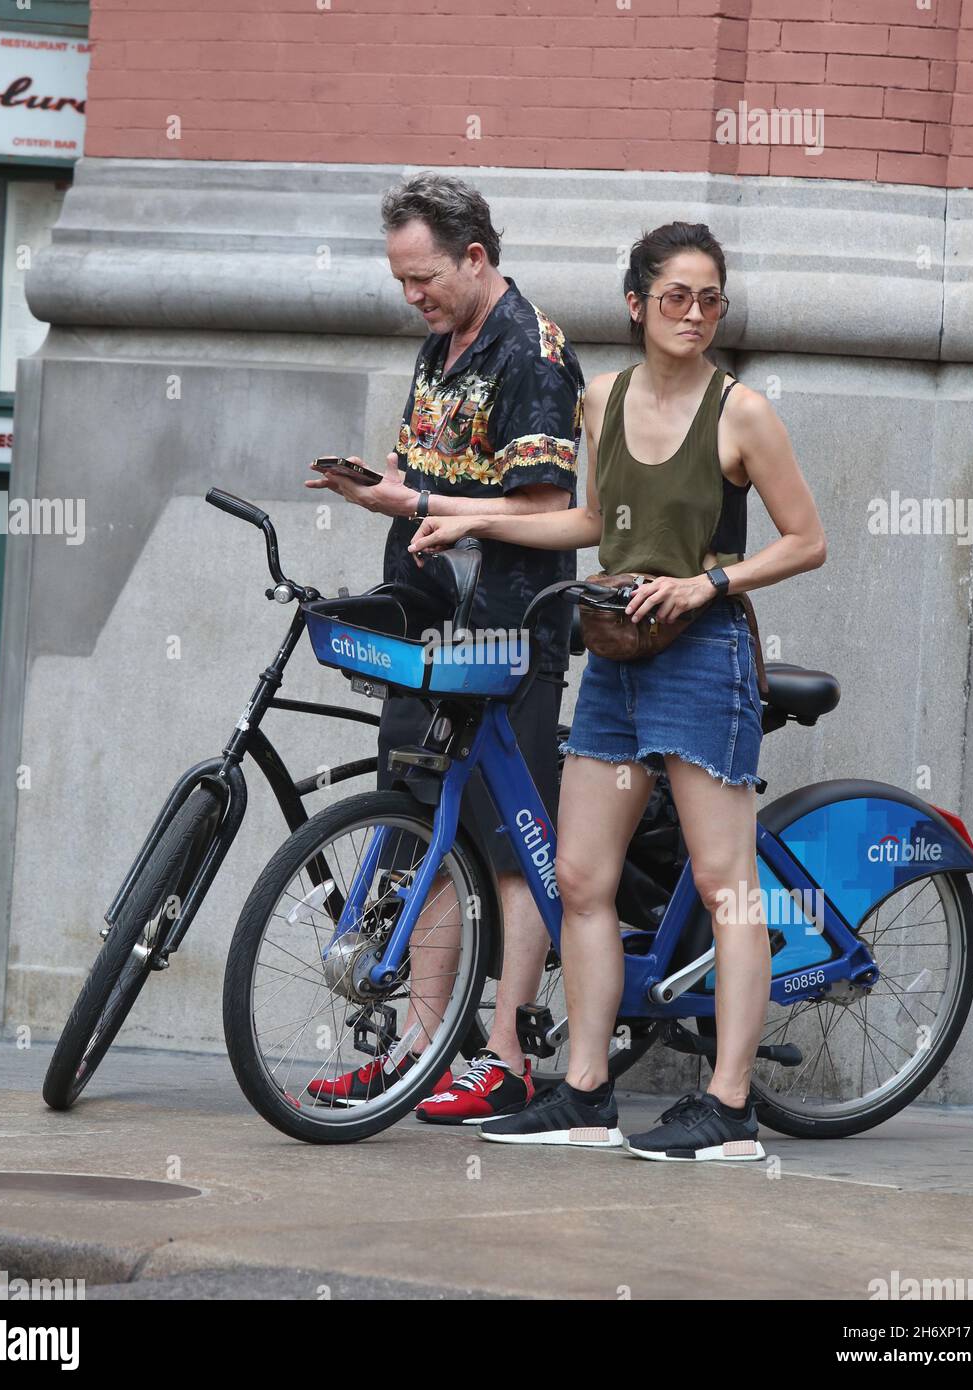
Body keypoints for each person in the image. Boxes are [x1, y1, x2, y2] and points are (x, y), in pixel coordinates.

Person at [407, 221, 827, 1160]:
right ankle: (587, 1093)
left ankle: (728, 1109)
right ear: (635, 304)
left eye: (709, 298)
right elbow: (589, 520)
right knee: (581, 877)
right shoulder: (603, 397)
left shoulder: (741, 413)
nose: (694, 314)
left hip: (703, 650)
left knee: (726, 887)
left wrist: (708, 582)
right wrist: (459, 518)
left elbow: (806, 540)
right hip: (614, 650)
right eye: (675, 296)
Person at [304, 172, 585, 1123]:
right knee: (418, 826)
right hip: (425, 630)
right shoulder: (440, 345)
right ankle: (424, 1050)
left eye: (423, 277)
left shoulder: (534, 354)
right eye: (401, 281)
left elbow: (548, 510)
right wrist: (378, 484)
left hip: (506, 631)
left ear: (475, 256)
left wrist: (414, 503)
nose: (412, 296)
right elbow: (425, 470)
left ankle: (505, 1054)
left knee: (513, 845)